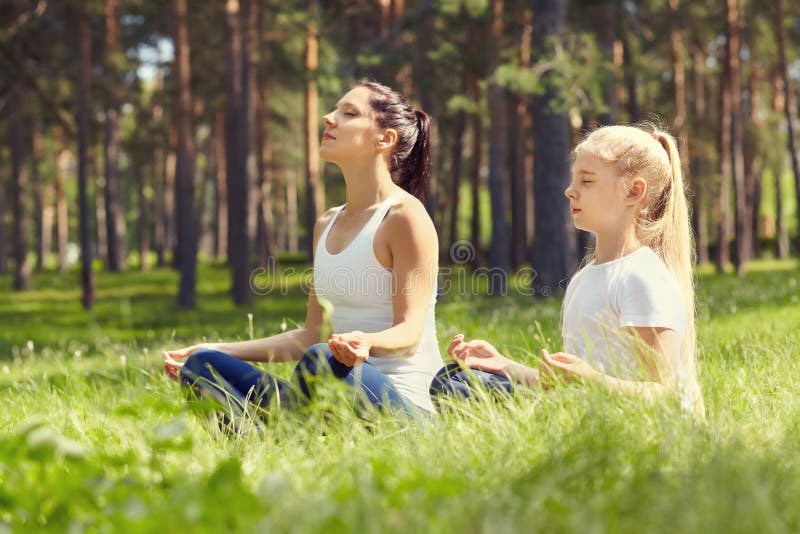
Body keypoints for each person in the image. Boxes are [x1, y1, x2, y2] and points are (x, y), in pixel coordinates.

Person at [163, 81, 443, 426]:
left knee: (323, 359)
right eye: (334, 110)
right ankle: (266, 448)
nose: (328, 118)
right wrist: (216, 348)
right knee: (201, 366)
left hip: (404, 405)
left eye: (348, 113)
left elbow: (410, 334)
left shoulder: (404, 217)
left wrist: (365, 343)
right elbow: (310, 334)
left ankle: (287, 436)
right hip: (328, 393)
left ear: (385, 139)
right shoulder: (326, 223)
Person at [430, 124, 705, 418]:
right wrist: (504, 365)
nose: (570, 191)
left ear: (634, 191)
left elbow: (664, 392)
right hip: (587, 410)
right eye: (574, 179)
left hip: (632, 427)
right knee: (453, 378)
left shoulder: (643, 277)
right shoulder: (585, 278)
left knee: (459, 388)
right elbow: (569, 384)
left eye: (586, 181)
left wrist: (591, 379)